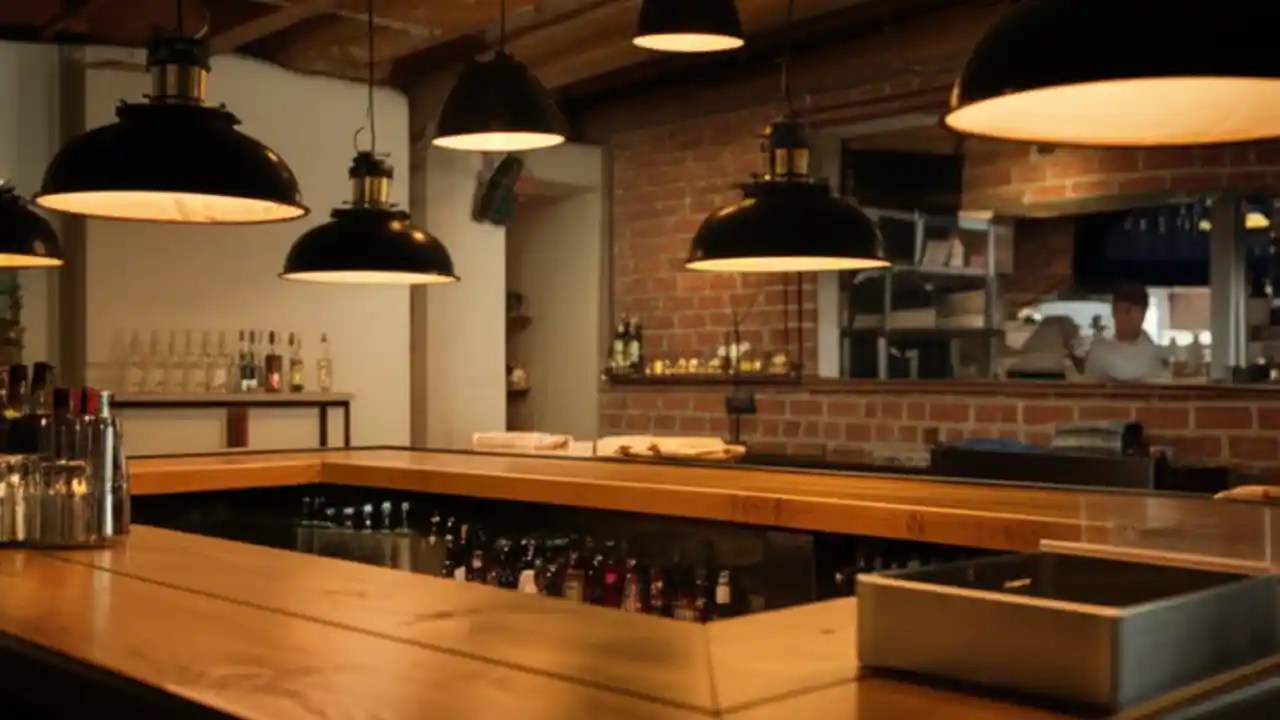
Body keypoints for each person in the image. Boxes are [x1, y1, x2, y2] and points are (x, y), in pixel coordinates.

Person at [1083, 282, 1169, 382]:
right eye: (1123, 310)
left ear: (1144, 314)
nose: (1128, 317)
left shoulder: (1155, 355)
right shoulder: (1099, 353)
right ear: (1114, 312)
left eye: (1134, 311)